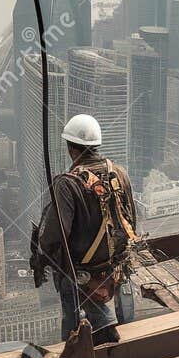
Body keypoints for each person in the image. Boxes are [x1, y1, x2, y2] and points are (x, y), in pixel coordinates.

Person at [31, 114, 138, 346]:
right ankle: (112, 338)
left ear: (71, 148)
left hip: (82, 272)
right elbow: (131, 220)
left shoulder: (67, 183)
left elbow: (55, 234)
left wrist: (41, 257)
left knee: (73, 326)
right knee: (116, 320)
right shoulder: (119, 174)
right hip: (114, 266)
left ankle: (76, 351)